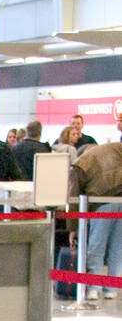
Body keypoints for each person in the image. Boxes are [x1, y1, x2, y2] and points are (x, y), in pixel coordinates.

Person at [68, 115, 122, 301]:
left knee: (96, 246)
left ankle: (93, 287)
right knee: (117, 248)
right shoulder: (112, 149)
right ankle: (112, 289)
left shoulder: (79, 166)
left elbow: (74, 198)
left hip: (102, 205)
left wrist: (72, 228)